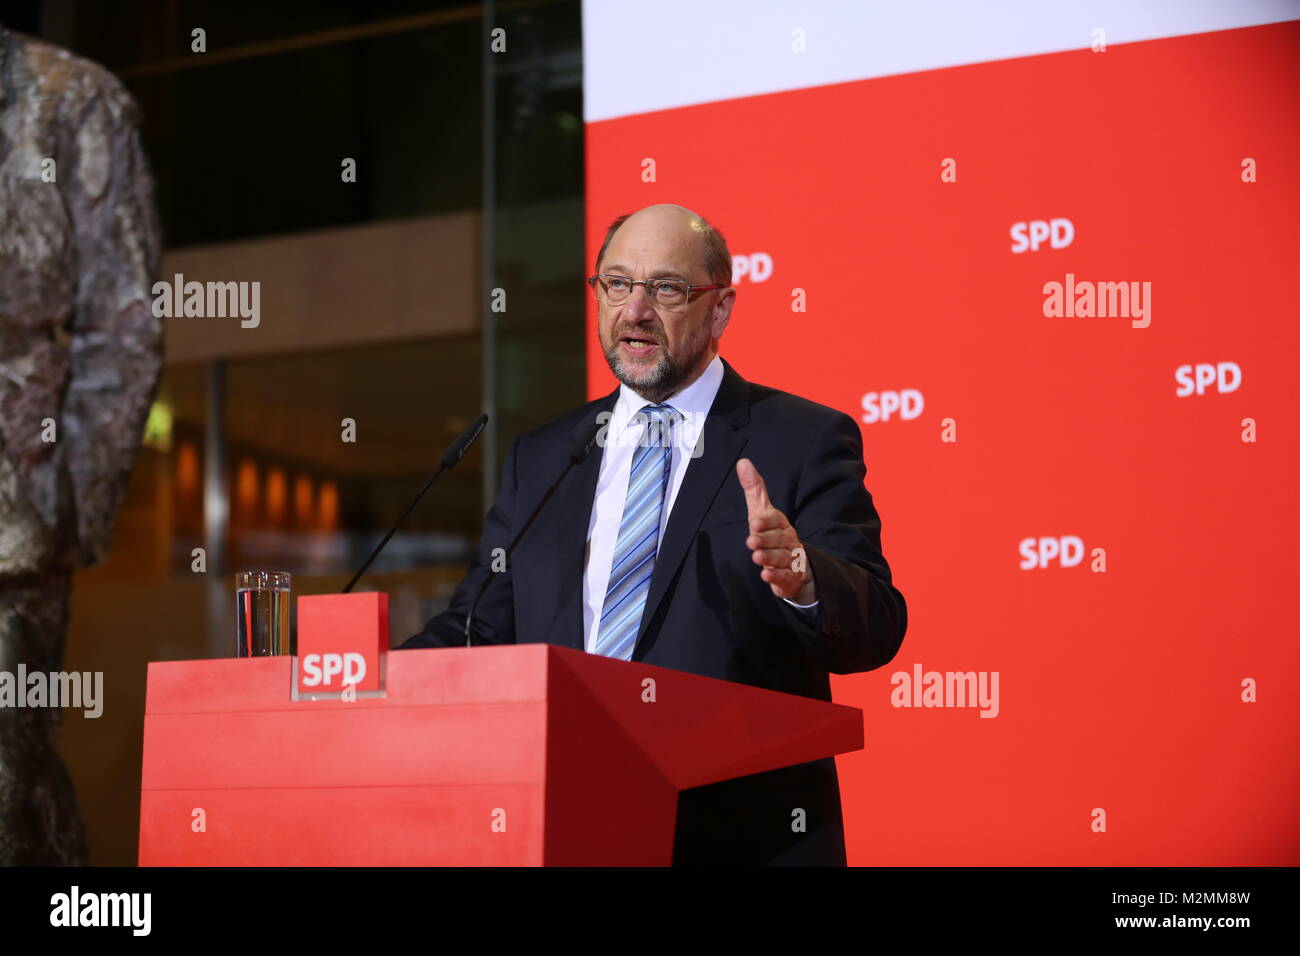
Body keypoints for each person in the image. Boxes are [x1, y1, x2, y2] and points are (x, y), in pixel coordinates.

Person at [403, 203, 906, 865]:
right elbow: (479, 629)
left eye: (665, 289)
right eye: (616, 284)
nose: (634, 311)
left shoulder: (801, 438)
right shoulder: (546, 456)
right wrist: (359, 679)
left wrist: (805, 578)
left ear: (720, 308)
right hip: (570, 825)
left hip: (742, 835)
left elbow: (875, 626)